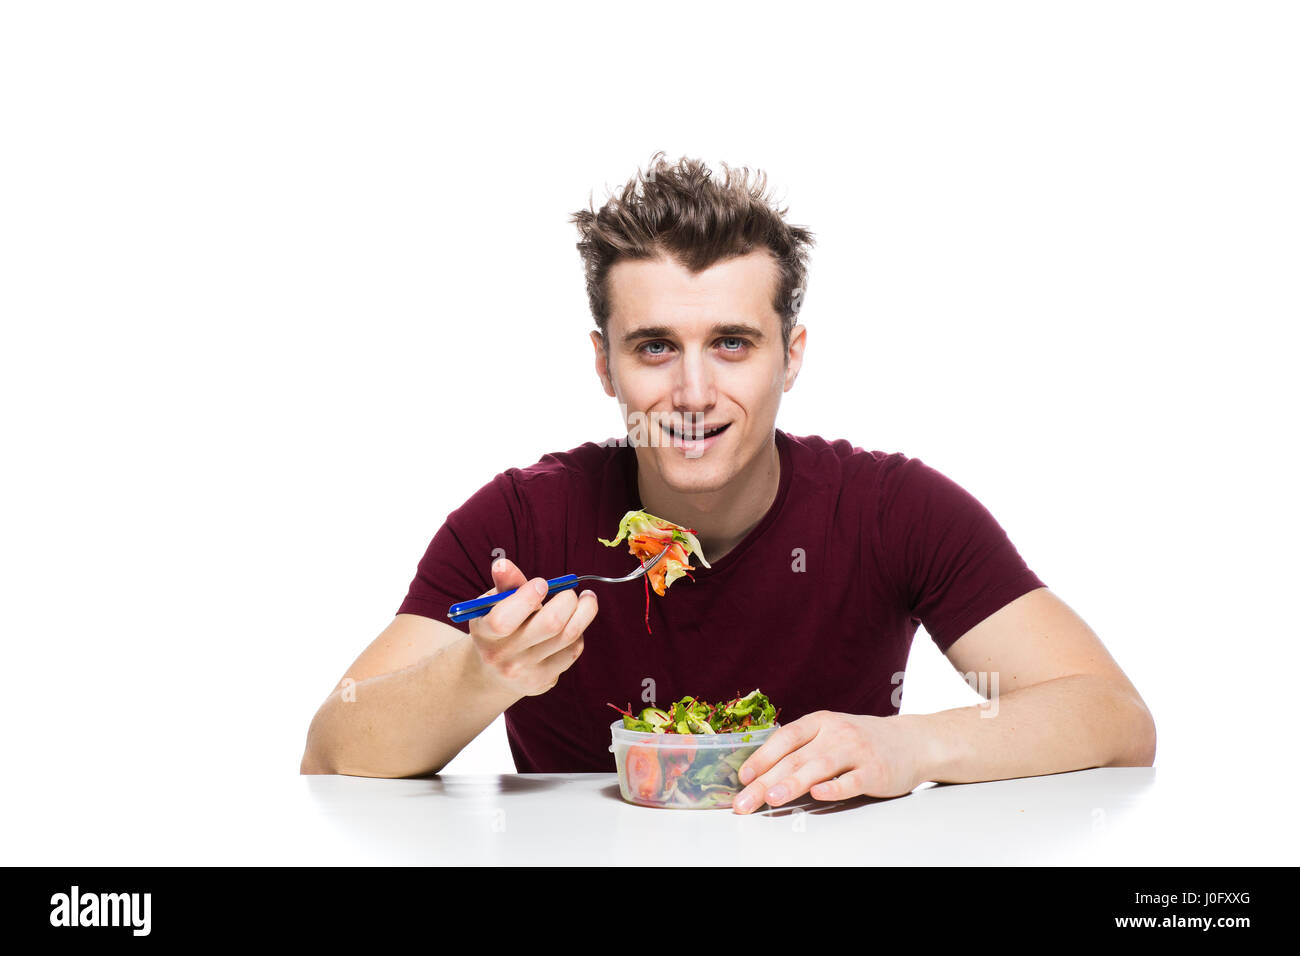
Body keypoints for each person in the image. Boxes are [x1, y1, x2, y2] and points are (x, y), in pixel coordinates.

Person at [300, 152, 1156, 814]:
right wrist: (483, 674)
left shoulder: (895, 510)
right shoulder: (523, 518)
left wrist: (913, 748)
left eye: (734, 344)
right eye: (655, 346)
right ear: (604, 363)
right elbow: (333, 752)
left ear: (793, 357)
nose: (695, 394)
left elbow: (1114, 718)